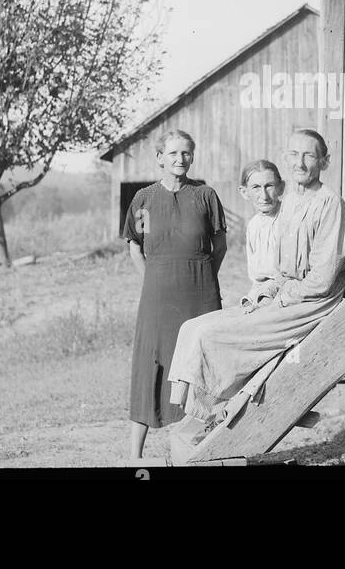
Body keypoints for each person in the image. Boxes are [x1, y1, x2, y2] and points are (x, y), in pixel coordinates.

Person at [167, 129, 345, 431]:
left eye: (309, 155)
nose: (300, 162)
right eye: (294, 155)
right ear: (286, 158)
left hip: (314, 305)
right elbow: (283, 271)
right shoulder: (293, 202)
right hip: (289, 296)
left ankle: (213, 410)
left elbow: (322, 281)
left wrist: (279, 298)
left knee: (211, 335)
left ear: (323, 161)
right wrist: (264, 292)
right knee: (192, 327)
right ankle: (196, 412)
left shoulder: (330, 203)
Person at [122, 128, 227, 459]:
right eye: (173, 154)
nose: (180, 159)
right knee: (150, 362)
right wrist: (153, 280)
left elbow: (219, 245)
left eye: (186, 153)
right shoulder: (144, 200)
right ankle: (134, 455)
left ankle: (200, 448)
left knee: (202, 364)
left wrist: (204, 275)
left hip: (201, 291)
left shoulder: (206, 195)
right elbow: (135, 249)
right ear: (159, 158)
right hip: (157, 294)